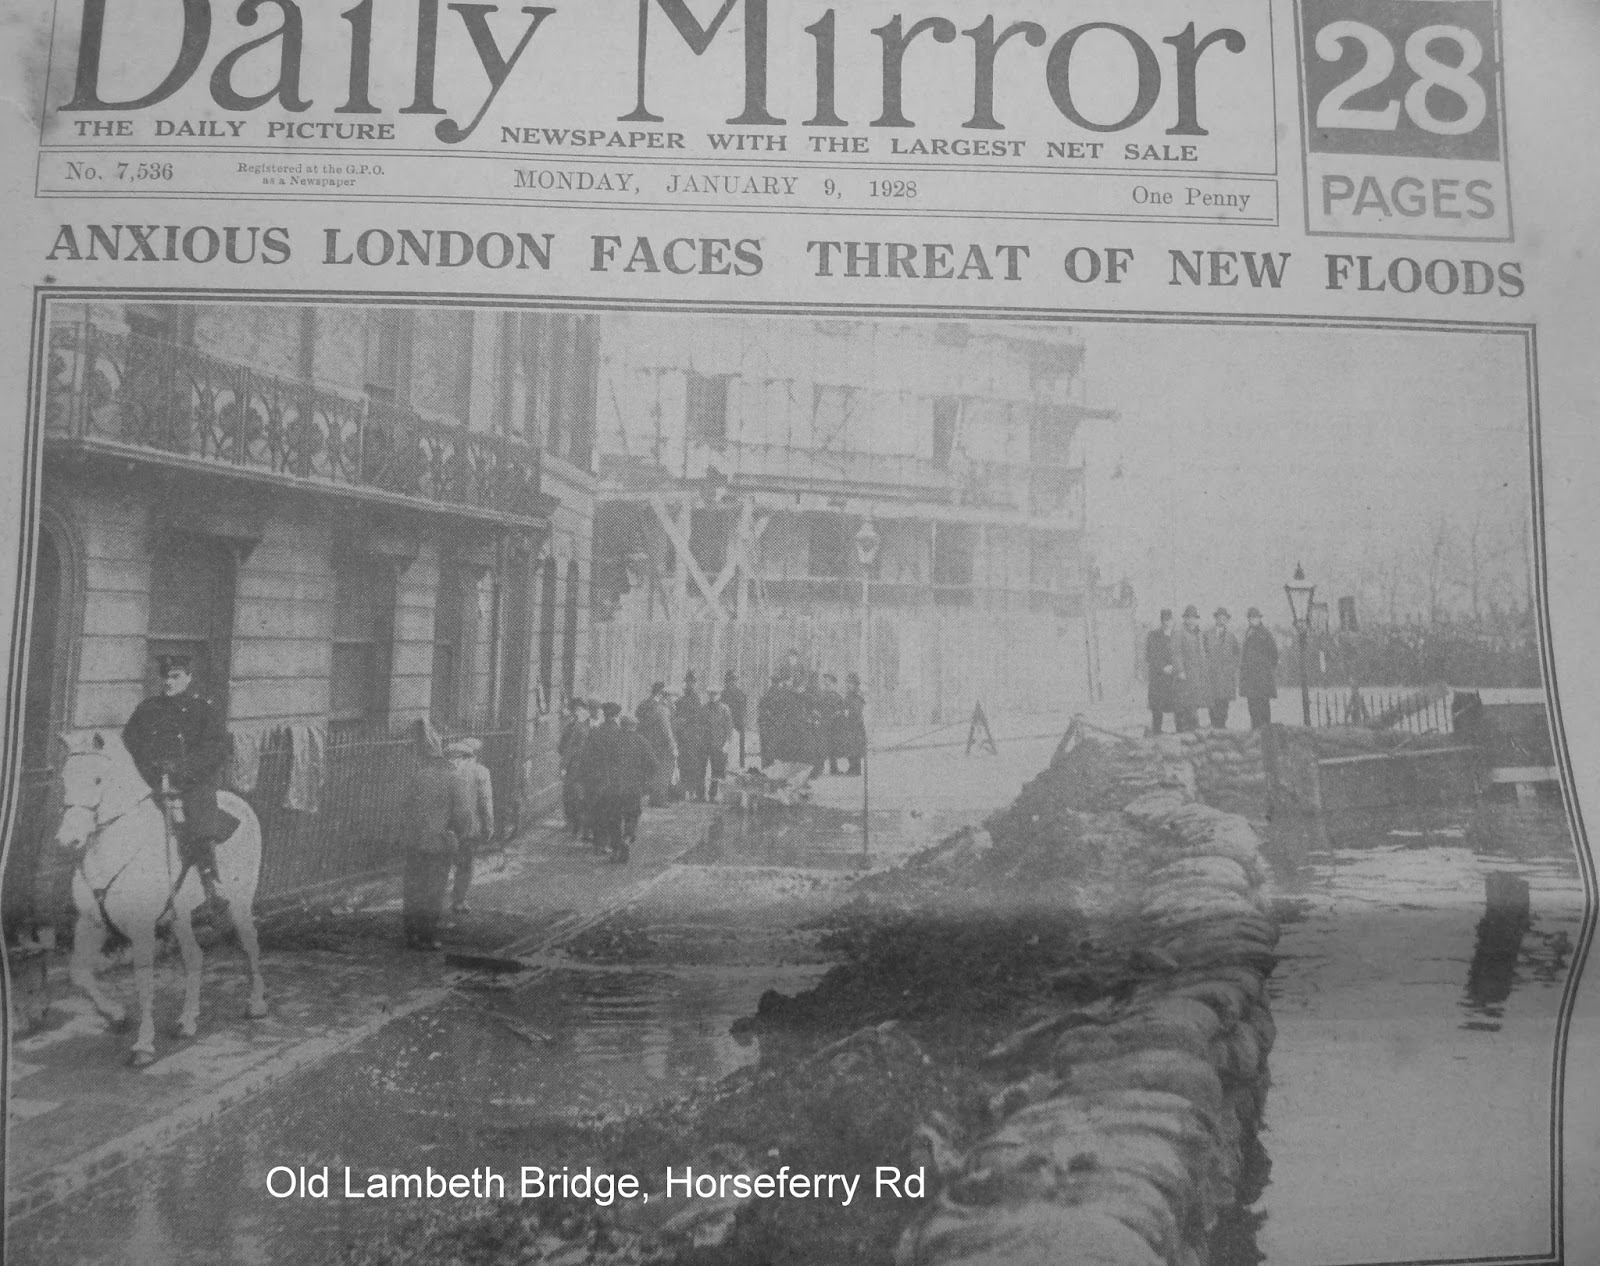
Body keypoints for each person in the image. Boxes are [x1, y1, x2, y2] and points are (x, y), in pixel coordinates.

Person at [122, 654, 234, 919]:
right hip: (153, 779)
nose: (168, 682)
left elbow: (216, 747)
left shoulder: (202, 710)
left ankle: (210, 885)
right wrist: (152, 765)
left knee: (197, 816)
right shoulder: (148, 708)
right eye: (165, 676)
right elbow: (131, 741)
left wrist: (183, 769)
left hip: (192, 781)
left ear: (188, 678)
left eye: (175, 676)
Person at [402, 740, 473, 950]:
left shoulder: (418, 776)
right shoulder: (455, 779)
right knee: (434, 890)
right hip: (439, 844)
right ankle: (427, 936)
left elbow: (405, 805)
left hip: (415, 842)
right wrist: (460, 835)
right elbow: (463, 814)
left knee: (414, 887)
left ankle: (411, 934)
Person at [576, 703, 630, 863]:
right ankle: (613, 845)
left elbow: (586, 757)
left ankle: (599, 844)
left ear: (605, 715)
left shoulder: (596, 732)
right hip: (614, 780)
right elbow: (624, 759)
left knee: (598, 811)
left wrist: (584, 777)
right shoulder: (620, 734)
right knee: (614, 814)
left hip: (596, 779)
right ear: (616, 716)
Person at [446, 738, 494, 914]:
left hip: (444, 826)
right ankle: (459, 901)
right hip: (468, 826)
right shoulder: (480, 771)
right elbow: (485, 801)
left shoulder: (444, 773)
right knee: (465, 864)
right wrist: (488, 826)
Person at [617, 715, 657, 857]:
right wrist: (645, 779)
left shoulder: (614, 740)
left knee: (615, 815)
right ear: (634, 726)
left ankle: (614, 845)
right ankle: (627, 838)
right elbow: (653, 763)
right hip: (633, 785)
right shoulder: (641, 741)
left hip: (615, 785)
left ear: (621, 725)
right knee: (632, 814)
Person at [636, 683, 676, 806]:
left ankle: (645, 796)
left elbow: (638, 718)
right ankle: (658, 798)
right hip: (660, 743)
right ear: (661, 694)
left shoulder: (643, 704)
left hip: (645, 741)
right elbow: (666, 729)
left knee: (648, 769)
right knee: (662, 770)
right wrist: (672, 744)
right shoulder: (662, 708)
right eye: (667, 695)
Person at [1240, 607, 1280, 730]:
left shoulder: (1265, 633)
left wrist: (1266, 669)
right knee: (1252, 705)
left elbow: (1274, 654)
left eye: (1256, 618)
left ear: (1259, 619)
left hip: (1263, 677)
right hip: (1250, 677)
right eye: (1251, 618)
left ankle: (1265, 730)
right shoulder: (1248, 632)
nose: (1254, 620)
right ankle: (1255, 730)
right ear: (1248, 619)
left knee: (1263, 704)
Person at [1203, 607, 1242, 730]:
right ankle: (1214, 724)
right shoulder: (1207, 634)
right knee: (1212, 699)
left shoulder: (1231, 636)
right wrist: (1207, 665)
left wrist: (1232, 666)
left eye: (1224, 618)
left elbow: (1237, 653)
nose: (1222, 620)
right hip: (1212, 673)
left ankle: (1222, 724)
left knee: (1224, 700)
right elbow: (1203, 651)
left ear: (1227, 620)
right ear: (1215, 618)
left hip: (1226, 674)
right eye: (1219, 617)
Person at [1173, 605, 1209, 733]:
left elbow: (1202, 653)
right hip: (1184, 674)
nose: (1191, 620)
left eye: (1194, 618)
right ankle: (1181, 730)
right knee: (1182, 702)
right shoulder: (1179, 632)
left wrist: (1203, 671)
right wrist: (1180, 670)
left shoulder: (1199, 633)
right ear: (1185, 619)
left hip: (1196, 674)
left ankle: (1193, 729)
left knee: (1193, 701)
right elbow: (1176, 653)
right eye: (1189, 618)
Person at [558, 700, 591, 837]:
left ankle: (581, 825)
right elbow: (563, 746)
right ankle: (571, 822)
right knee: (569, 794)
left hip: (586, 766)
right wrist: (565, 765)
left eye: (580, 710)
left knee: (582, 796)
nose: (577, 713)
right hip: (574, 766)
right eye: (575, 710)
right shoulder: (571, 726)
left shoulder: (590, 726)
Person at [675, 673, 707, 800]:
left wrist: (686, 721)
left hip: (693, 738)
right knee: (683, 764)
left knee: (694, 765)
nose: (689, 685)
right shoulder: (681, 700)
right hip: (683, 738)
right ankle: (684, 791)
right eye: (687, 682)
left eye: (691, 683)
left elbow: (698, 718)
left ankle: (693, 792)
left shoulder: (696, 700)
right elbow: (677, 716)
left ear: (694, 684)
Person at [1145, 609, 1177, 735]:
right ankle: (1157, 730)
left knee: (1176, 702)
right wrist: (1162, 667)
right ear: (1161, 621)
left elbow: (1181, 654)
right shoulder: (1153, 635)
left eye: (1169, 620)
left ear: (1172, 621)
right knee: (1157, 703)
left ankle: (1179, 729)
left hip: (1173, 675)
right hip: (1158, 676)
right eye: (1164, 620)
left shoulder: (1177, 635)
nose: (1166, 623)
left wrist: (1175, 667)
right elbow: (1150, 656)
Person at [703, 689, 734, 801]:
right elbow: (701, 725)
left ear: (719, 695)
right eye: (711, 694)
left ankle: (715, 795)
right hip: (706, 743)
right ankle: (701, 795)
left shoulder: (724, 709)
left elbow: (729, 728)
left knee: (718, 770)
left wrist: (727, 743)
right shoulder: (705, 708)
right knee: (703, 769)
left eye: (715, 694)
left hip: (720, 743)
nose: (713, 696)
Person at [757, 674, 791, 767]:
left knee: (770, 749)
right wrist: (775, 719)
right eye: (776, 683)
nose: (777, 685)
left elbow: (786, 710)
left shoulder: (772, 695)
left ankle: (768, 767)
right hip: (772, 725)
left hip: (773, 725)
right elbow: (763, 710)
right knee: (771, 749)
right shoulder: (773, 695)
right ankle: (769, 767)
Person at [818, 673, 846, 774]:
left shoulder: (837, 697)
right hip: (823, 724)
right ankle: (819, 769)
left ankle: (833, 768)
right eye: (825, 683)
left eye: (828, 683)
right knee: (822, 746)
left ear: (833, 684)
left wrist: (837, 715)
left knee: (833, 746)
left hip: (834, 725)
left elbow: (842, 710)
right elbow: (817, 708)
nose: (826, 685)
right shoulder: (821, 695)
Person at [840, 673, 867, 775]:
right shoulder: (849, 695)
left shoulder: (857, 695)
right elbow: (845, 706)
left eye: (850, 683)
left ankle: (856, 769)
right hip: (849, 724)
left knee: (856, 747)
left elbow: (857, 709)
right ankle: (851, 767)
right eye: (847, 683)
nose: (848, 685)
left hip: (856, 725)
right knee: (849, 747)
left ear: (855, 684)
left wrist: (848, 712)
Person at [721, 670, 748, 768]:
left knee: (740, 744)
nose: (731, 683)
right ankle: (726, 764)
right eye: (729, 680)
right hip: (727, 722)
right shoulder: (723, 694)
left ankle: (741, 764)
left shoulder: (740, 694)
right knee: (725, 743)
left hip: (738, 722)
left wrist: (743, 720)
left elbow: (744, 710)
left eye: (733, 680)